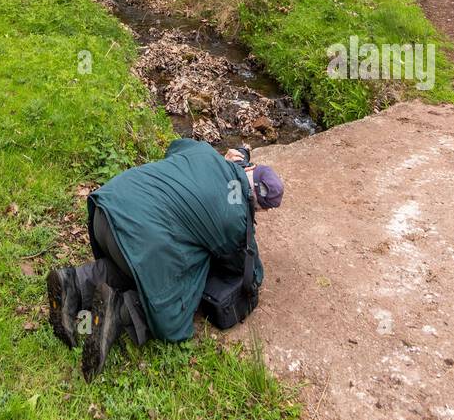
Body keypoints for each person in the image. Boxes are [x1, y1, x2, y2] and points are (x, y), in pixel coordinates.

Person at [46, 136, 284, 380]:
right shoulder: (236, 217)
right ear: (260, 207)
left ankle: (72, 283)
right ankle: (118, 311)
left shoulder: (203, 151)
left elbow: (176, 146)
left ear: (250, 168)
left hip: (105, 212)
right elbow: (247, 270)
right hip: (133, 240)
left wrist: (229, 164)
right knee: (182, 292)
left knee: (148, 256)